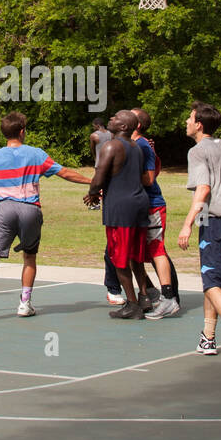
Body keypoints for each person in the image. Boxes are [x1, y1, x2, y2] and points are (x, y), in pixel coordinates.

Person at [0, 112, 92, 321]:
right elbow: (66, 173)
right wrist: (92, 182)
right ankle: (25, 304)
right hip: (30, 211)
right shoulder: (36, 154)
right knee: (29, 256)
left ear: (4, 133)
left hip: (5, 210)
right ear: (22, 132)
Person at [177, 101, 221, 357]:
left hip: (212, 220)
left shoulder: (197, 152)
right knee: (214, 278)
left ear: (199, 125)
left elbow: (203, 190)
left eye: (189, 118)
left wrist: (187, 224)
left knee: (211, 282)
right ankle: (208, 337)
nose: (186, 121)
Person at [86, 110, 152, 319]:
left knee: (119, 258)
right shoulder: (137, 148)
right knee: (136, 257)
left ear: (124, 127)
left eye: (115, 118)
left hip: (121, 207)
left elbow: (100, 176)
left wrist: (93, 193)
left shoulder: (112, 146)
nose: (111, 119)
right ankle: (145, 297)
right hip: (139, 204)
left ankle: (132, 304)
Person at [129, 108, 180, 318]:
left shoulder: (142, 145)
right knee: (133, 253)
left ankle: (168, 298)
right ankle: (151, 292)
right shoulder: (134, 144)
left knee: (157, 250)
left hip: (152, 205)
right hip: (138, 206)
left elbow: (150, 178)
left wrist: (124, 179)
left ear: (137, 124)